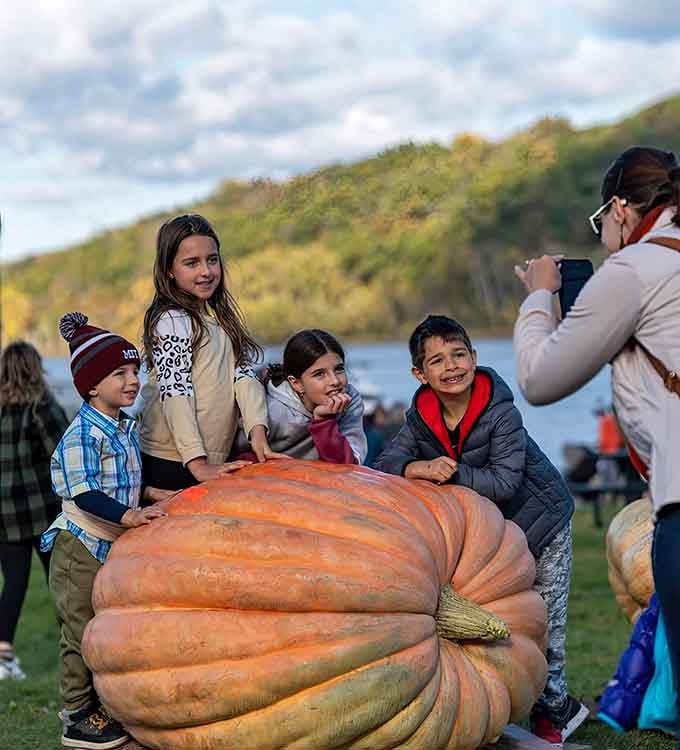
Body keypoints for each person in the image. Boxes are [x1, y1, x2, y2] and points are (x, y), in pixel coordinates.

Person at [513, 146, 680, 748]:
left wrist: (538, 295)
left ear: (618, 208)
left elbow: (539, 378)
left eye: (601, 222)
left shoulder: (634, 270)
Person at [376, 315, 587, 747]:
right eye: (437, 360)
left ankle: (554, 713)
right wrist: (417, 466)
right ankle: (499, 703)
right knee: (496, 626)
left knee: (546, 624)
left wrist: (448, 476)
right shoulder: (421, 417)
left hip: (542, 524)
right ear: (421, 373)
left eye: (459, 355)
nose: (451, 366)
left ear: (474, 357)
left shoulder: (500, 412)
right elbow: (382, 467)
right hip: (492, 542)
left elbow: (506, 481)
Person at [41, 313, 171, 749]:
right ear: (92, 385)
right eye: (120, 373)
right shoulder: (82, 434)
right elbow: (84, 492)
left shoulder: (121, 427)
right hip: (79, 544)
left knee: (108, 628)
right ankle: (76, 715)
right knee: (80, 631)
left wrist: (151, 493)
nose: (133, 380)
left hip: (110, 543)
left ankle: (105, 705)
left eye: (135, 371)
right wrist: (130, 516)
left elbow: (126, 480)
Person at [139, 214, 281, 490]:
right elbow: (175, 393)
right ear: (169, 270)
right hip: (172, 461)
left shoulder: (219, 319)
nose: (206, 271)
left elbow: (243, 376)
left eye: (212, 259)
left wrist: (257, 432)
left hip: (212, 458)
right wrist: (197, 463)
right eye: (192, 263)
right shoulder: (171, 321)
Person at [0, 341, 69, 681]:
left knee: (13, 583)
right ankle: (77, 649)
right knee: (60, 580)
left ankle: (3, 656)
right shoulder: (41, 405)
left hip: (4, 515)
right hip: (42, 509)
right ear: (34, 367)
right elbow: (63, 451)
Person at [233, 329, 367, 464]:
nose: (335, 381)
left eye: (339, 369)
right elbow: (235, 456)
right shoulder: (273, 412)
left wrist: (323, 421)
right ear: (296, 383)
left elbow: (350, 466)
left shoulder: (349, 400)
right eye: (319, 374)